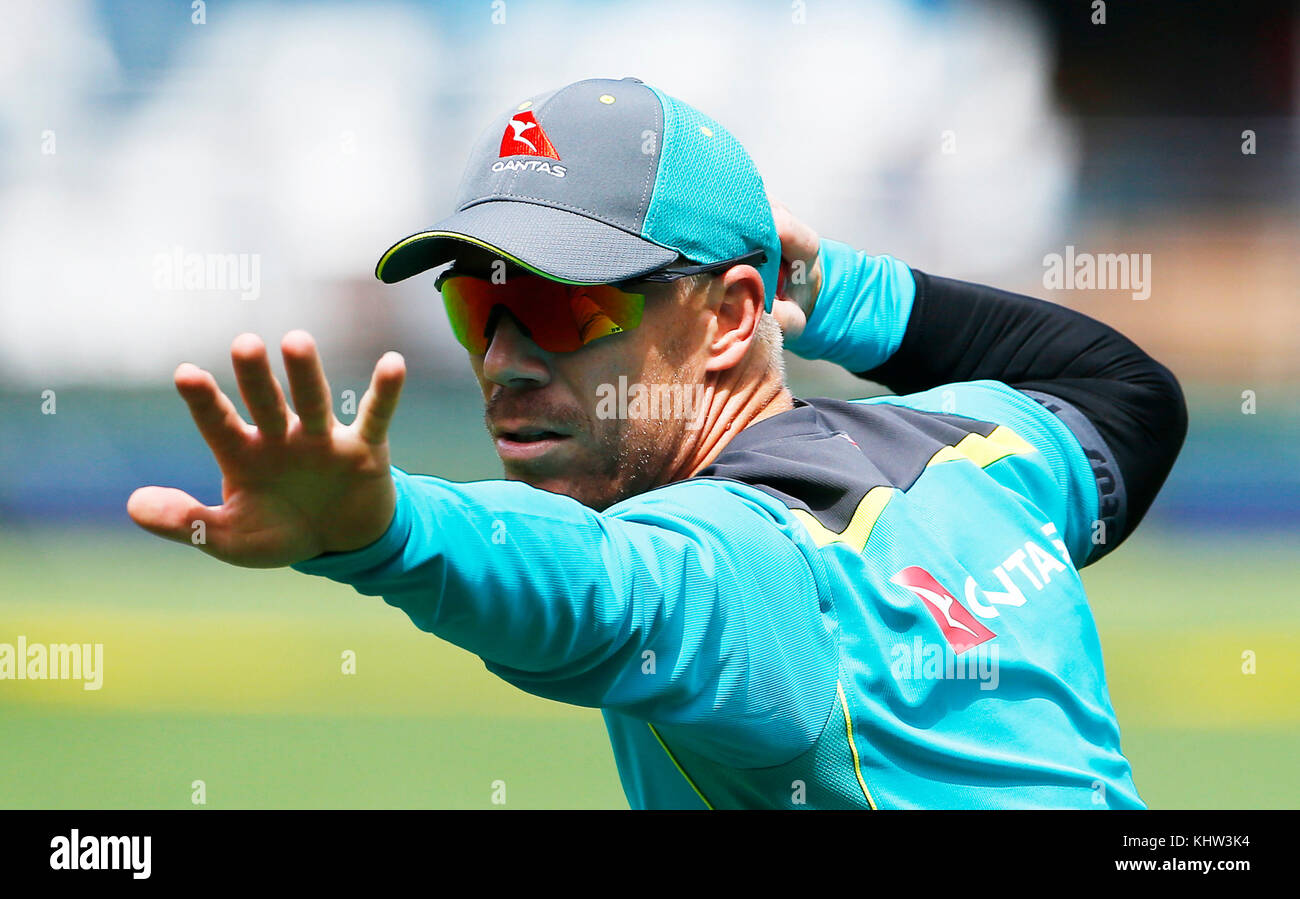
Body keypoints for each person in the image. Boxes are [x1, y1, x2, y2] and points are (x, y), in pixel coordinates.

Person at [128, 76, 1186, 809]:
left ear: (727, 317)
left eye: (561, 309)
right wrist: (825, 284)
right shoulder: (978, 447)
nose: (503, 361)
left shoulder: (739, 555)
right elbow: (1123, 388)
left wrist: (389, 533)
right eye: (478, 309)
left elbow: (599, 587)